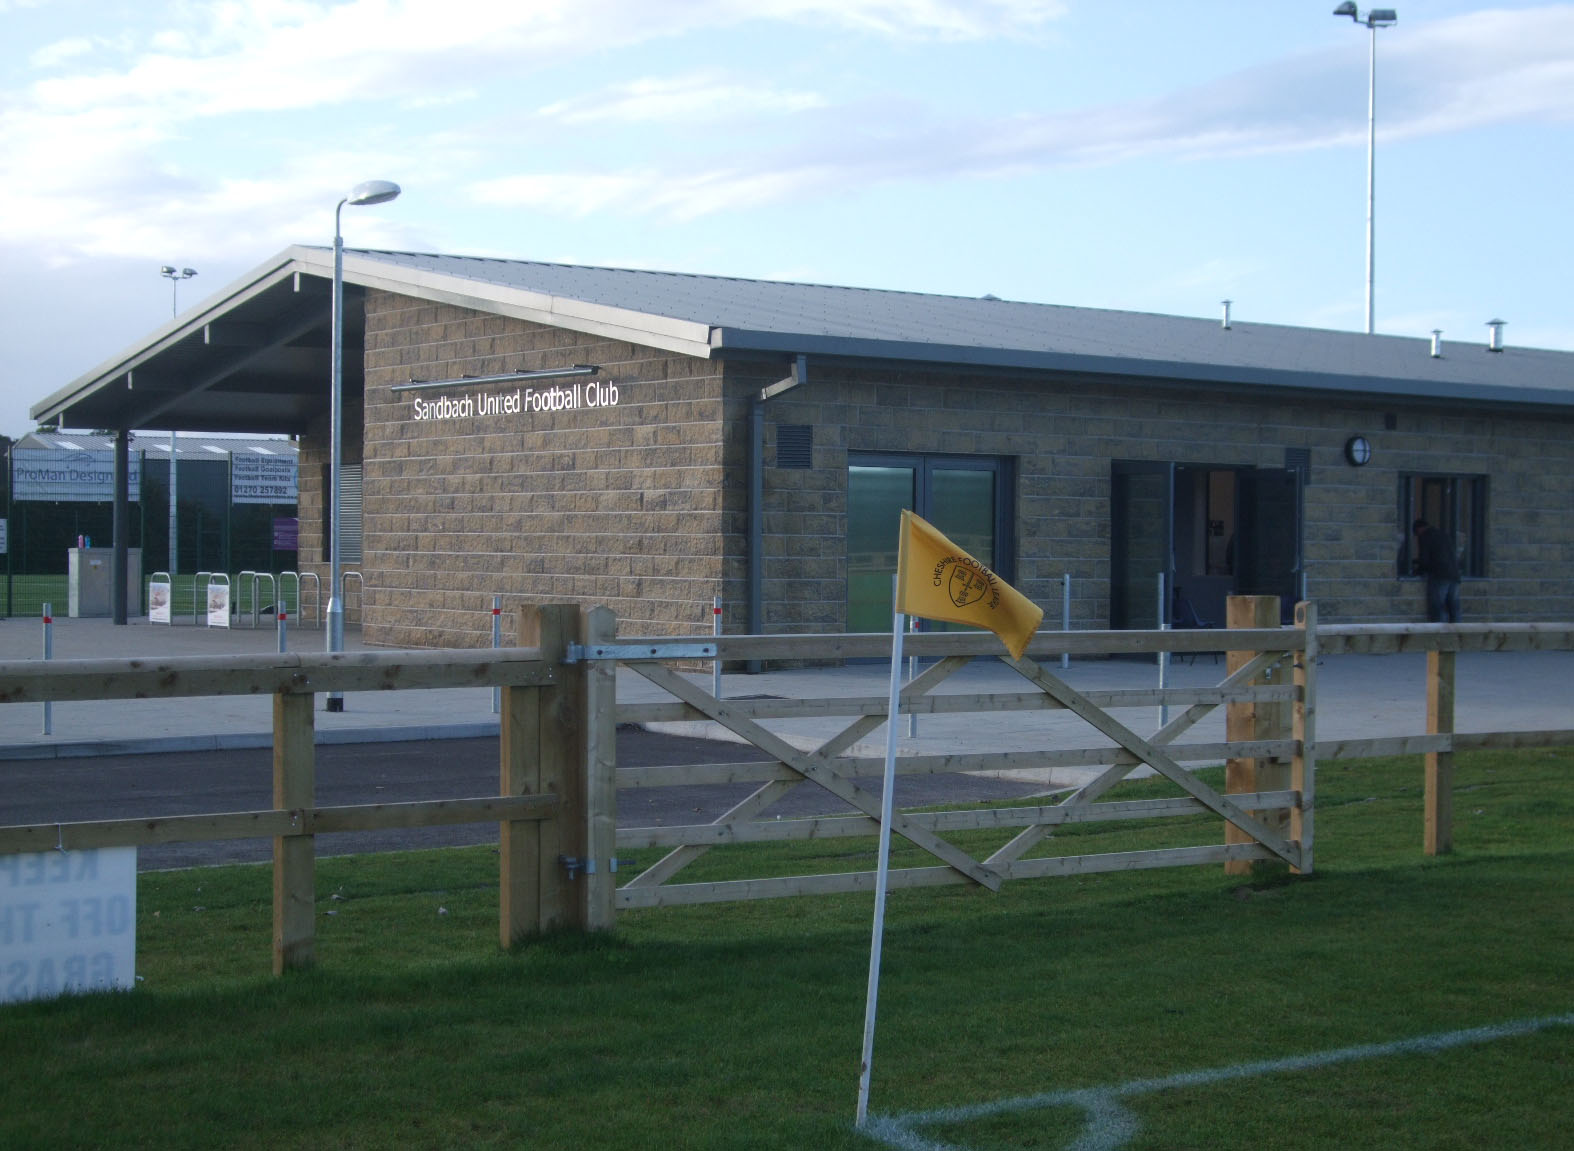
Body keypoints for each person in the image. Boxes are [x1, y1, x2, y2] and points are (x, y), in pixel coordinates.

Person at [1412, 519, 1461, 623]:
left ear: (1418, 530)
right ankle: (1458, 631)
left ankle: (1439, 631)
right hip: (1454, 575)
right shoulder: (1443, 535)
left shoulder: (1425, 536)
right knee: (1454, 607)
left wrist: (1417, 571)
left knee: (1438, 607)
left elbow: (1424, 559)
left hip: (1439, 575)